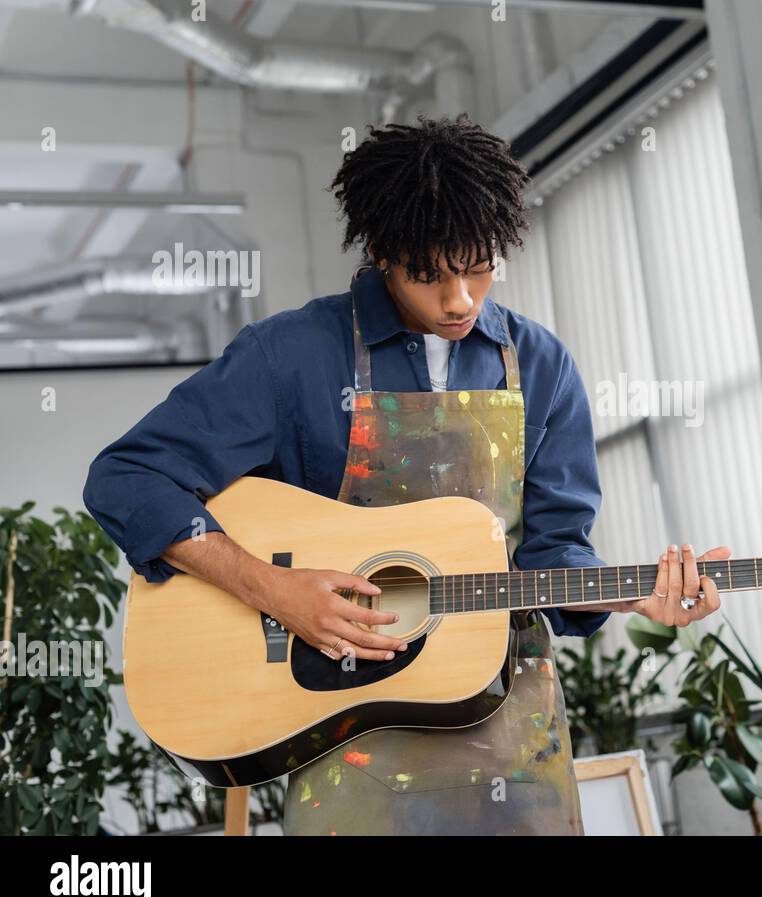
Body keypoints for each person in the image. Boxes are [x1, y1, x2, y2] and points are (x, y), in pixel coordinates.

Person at [83, 114, 729, 835]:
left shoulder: (542, 365)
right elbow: (126, 476)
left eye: (478, 266)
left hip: (512, 730)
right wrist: (275, 589)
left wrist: (639, 598)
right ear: (384, 254)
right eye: (431, 274)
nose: (459, 298)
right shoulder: (291, 354)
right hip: (343, 730)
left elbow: (556, 552)